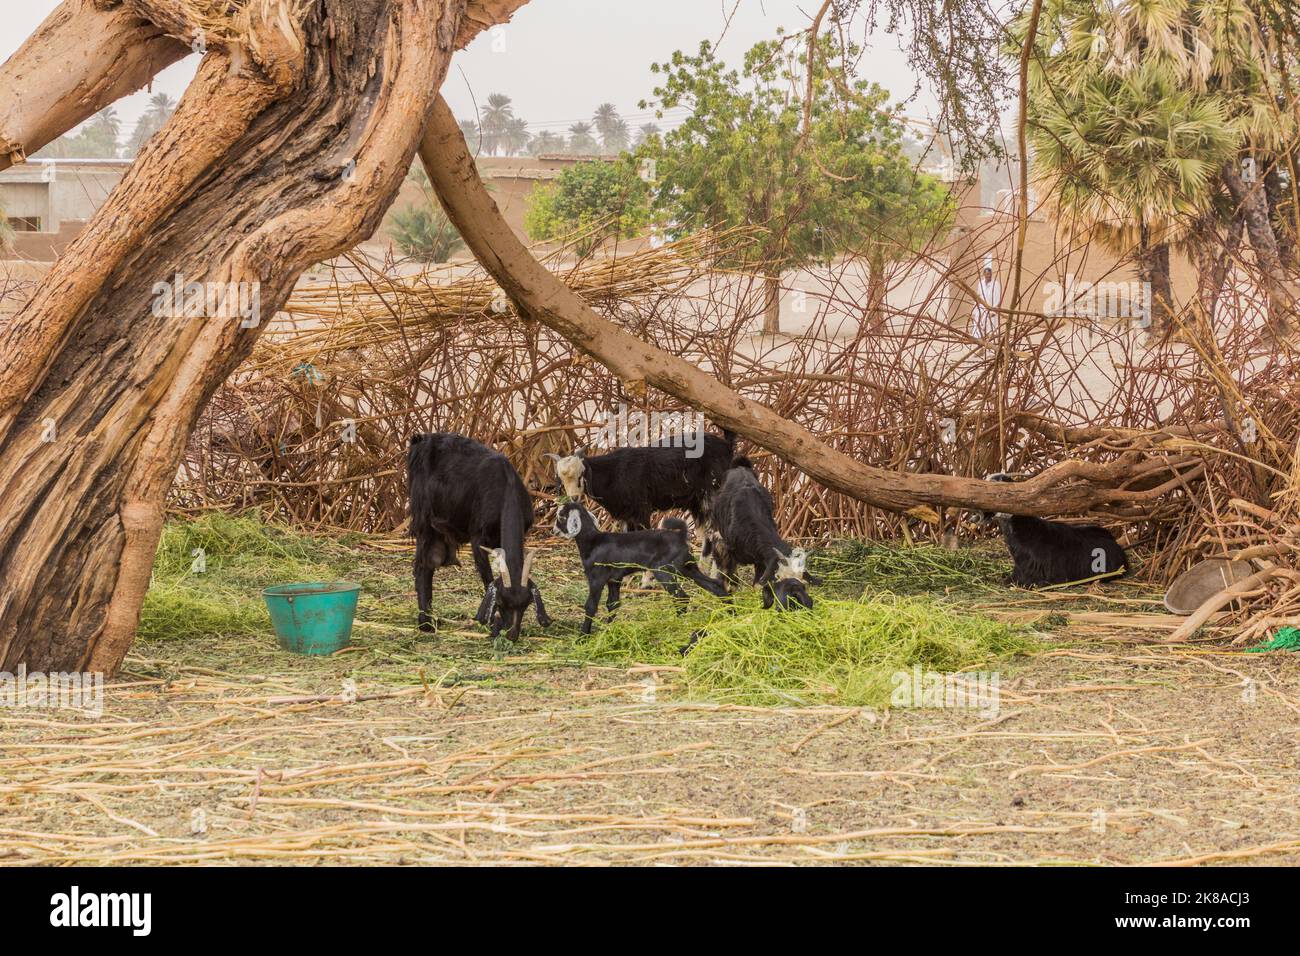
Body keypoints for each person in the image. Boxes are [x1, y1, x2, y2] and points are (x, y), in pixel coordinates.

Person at [971, 261, 1002, 340]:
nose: (989, 276)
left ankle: (990, 342)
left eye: (990, 274)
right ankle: (978, 340)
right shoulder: (980, 284)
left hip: (991, 308)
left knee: (991, 328)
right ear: (984, 274)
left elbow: (997, 298)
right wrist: (974, 310)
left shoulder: (996, 284)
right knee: (978, 325)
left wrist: (993, 310)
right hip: (981, 308)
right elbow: (978, 296)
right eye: (987, 274)